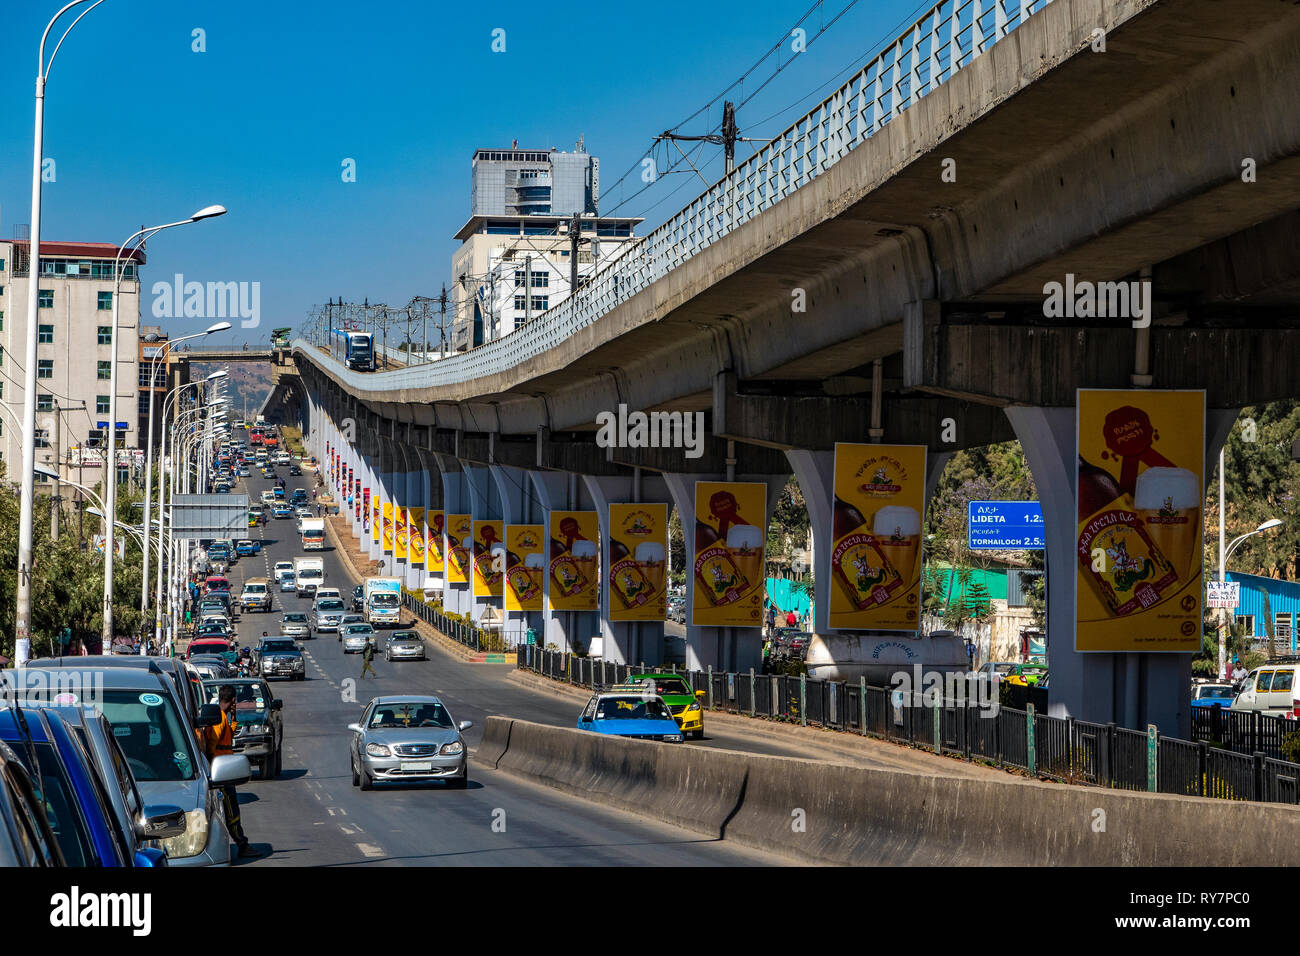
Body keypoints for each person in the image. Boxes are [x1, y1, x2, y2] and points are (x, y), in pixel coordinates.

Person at [204, 686, 258, 858]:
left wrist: (233, 718)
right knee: (231, 809)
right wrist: (213, 763)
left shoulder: (222, 717)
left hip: (223, 768)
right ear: (233, 700)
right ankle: (241, 842)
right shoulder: (219, 718)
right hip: (222, 771)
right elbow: (213, 743)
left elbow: (229, 734)